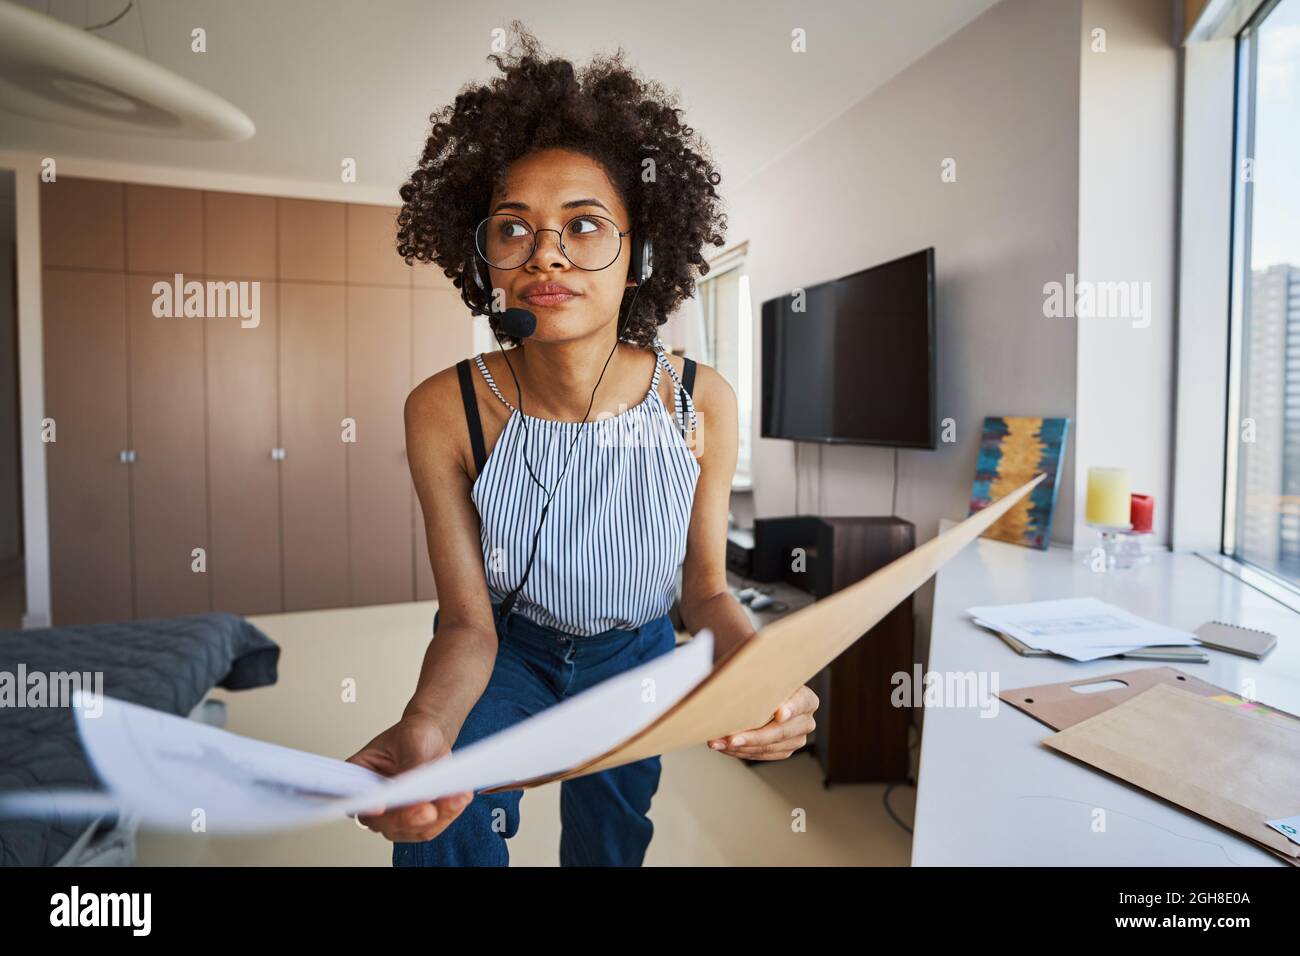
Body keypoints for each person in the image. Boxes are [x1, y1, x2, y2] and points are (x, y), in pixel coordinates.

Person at [346, 24, 818, 867]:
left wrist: (762, 684)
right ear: (485, 257)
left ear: (640, 255)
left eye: (587, 224)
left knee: (610, 841)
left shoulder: (699, 398)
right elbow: (465, 621)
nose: (547, 253)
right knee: (439, 818)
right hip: (508, 650)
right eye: (514, 228)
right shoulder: (444, 407)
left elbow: (706, 594)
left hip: (636, 648)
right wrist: (426, 721)